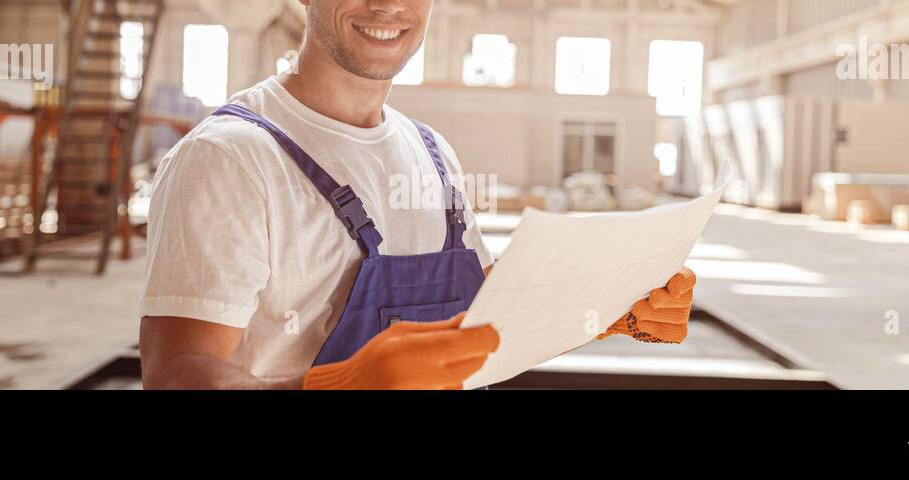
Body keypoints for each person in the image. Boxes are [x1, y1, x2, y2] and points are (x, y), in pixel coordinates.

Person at [138, 0, 696, 390]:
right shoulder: (231, 157)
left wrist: (606, 306)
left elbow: (482, 315)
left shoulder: (430, 150)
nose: (388, 5)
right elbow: (174, 374)